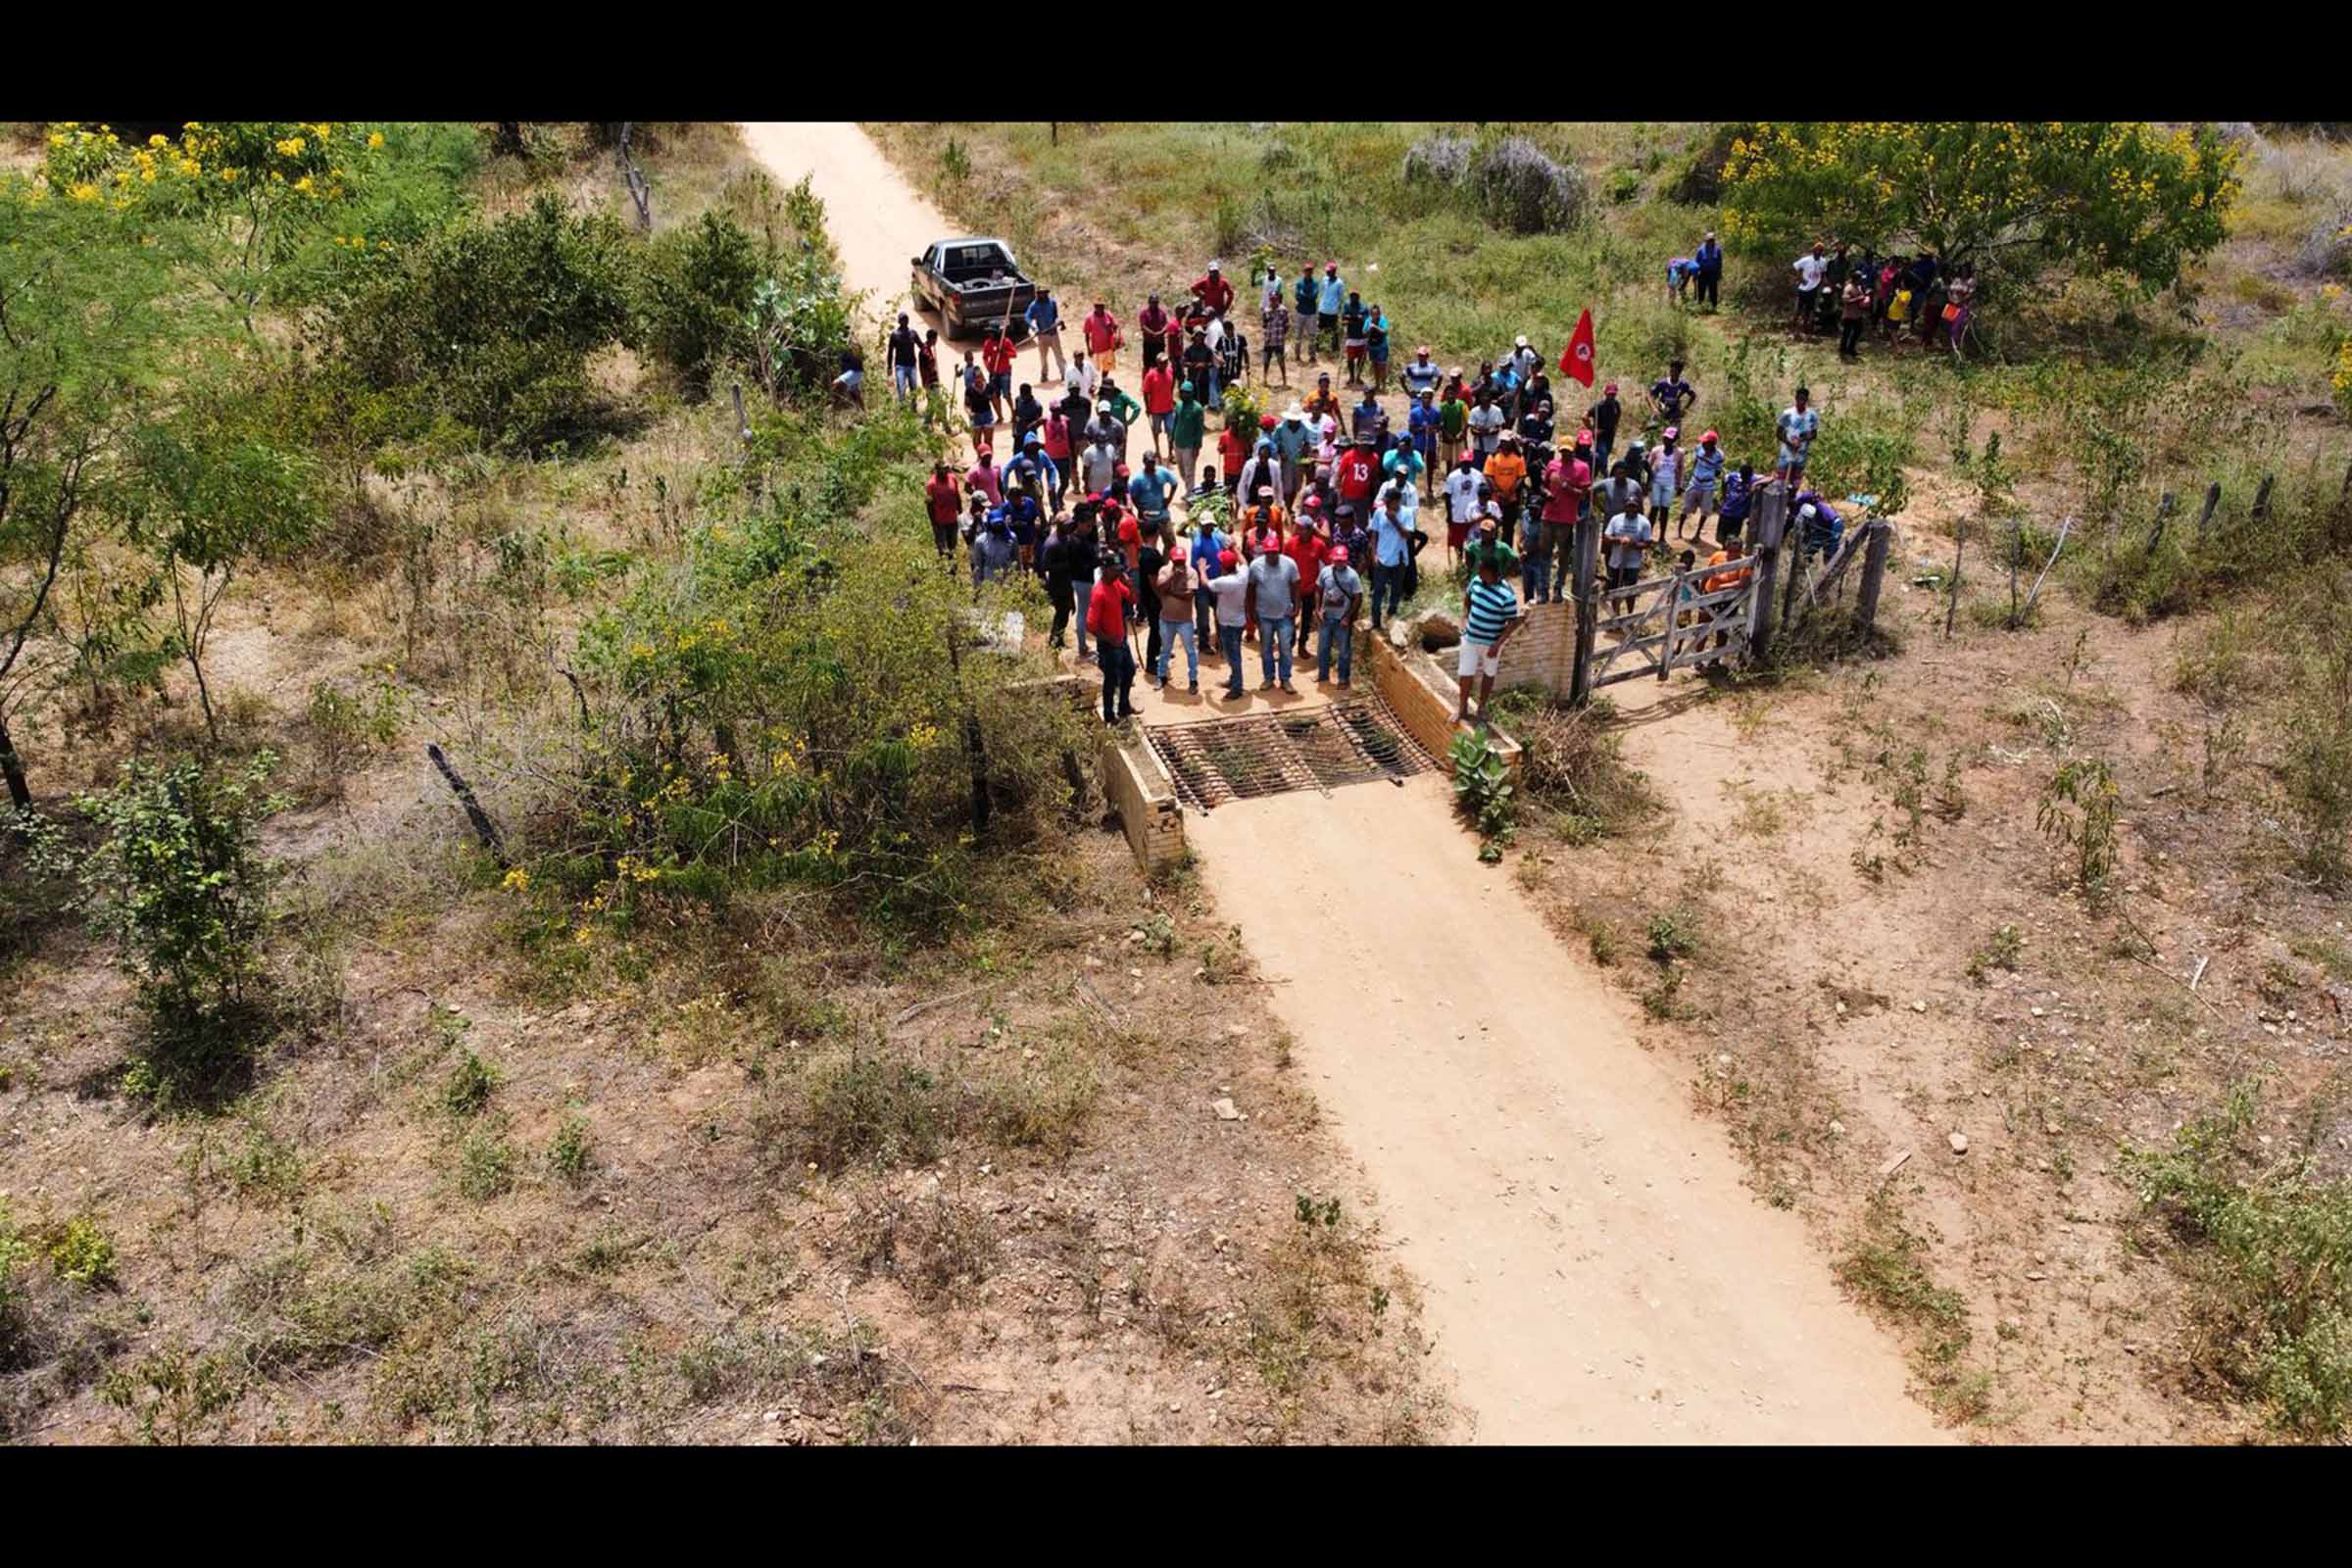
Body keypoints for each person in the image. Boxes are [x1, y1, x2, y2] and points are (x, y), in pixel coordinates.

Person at [1456, 545, 1524, 725]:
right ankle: (1462, 709)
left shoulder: (1507, 595)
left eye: (1481, 571)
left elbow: (1513, 623)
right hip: (1470, 639)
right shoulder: (1477, 581)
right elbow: (1468, 597)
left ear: (1491, 572)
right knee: (1465, 674)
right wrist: (1466, 619)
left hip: (1491, 644)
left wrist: (1497, 644)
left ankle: (1481, 708)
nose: (1478, 574)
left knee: (1488, 674)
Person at [1246, 541, 1301, 695]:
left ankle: (1285, 678)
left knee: (1285, 648)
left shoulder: (1289, 564)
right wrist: (1250, 612)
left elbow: (1297, 585)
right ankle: (1269, 677)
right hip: (1264, 615)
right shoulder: (1255, 566)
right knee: (1265, 648)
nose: (1272, 556)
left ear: (1279, 551)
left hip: (1284, 614)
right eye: (1269, 553)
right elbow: (1250, 589)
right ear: (1264, 552)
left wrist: (1297, 608)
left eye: (1274, 552)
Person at [1088, 554, 1137, 722]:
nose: (1118, 573)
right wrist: (1108, 639)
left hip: (1121, 639)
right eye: (1115, 570)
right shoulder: (1099, 592)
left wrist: (1129, 585)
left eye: (1119, 570)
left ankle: (1123, 706)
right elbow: (1091, 625)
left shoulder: (1116, 583)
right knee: (1111, 680)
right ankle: (1109, 715)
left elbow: (1132, 598)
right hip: (1109, 644)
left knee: (1129, 671)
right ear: (1105, 569)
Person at [1539, 442, 1589, 605]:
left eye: (1568, 451)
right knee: (1545, 554)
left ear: (1573, 451)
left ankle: (1558, 588)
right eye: (1563, 451)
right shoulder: (1553, 464)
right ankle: (1543, 590)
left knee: (1563, 555)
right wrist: (1547, 494)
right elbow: (1542, 485)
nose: (1565, 454)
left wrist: (1567, 487)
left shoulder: (1582, 468)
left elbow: (1584, 494)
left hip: (1566, 519)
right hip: (1548, 515)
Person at [1315, 546, 1363, 687]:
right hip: (1326, 617)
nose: (1339, 563)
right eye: (1336, 560)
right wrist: (1318, 610)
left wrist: (1348, 617)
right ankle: (1323, 675)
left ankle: (1343, 679)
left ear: (1346, 560)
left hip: (1342, 619)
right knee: (1323, 648)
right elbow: (1318, 590)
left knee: (1344, 651)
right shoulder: (1325, 572)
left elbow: (1357, 597)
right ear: (1332, 559)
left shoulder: (1352, 575)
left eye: (1342, 561)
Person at [1369, 484, 1413, 630]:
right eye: (1386, 501)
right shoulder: (1379, 512)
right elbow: (1374, 534)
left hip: (1399, 559)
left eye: (1390, 501)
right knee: (1378, 591)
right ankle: (1375, 621)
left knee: (1396, 591)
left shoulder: (1407, 513)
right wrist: (1374, 554)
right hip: (1382, 558)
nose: (1387, 504)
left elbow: (1407, 535)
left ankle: (1391, 618)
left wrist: (1394, 521)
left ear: (1398, 501)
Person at [1208, 548, 1250, 698]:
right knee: (1233, 653)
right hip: (1237, 622)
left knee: (1233, 656)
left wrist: (1201, 569)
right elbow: (1244, 562)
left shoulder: (1225, 582)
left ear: (1224, 567)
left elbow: (1206, 583)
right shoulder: (1242, 575)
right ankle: (1234, 680)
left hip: (1229, 625)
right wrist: (1236, 549)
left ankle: (1237, 688)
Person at [1603, 497, 1653, 615]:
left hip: (1633, 563)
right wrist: (1618, 540)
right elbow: (1606, 537)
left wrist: (1633, 544)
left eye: (1634, 506)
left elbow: (1647, 543)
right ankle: (1615, 616)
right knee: (1615, 589)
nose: (1631, 509)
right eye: (1629, 506)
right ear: (1625, 507)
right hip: (1616, 561)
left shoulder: (1644, 522)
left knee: (1630, 591)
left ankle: (1629, 616)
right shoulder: (1616, 519)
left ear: (1638, 507)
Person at [1679, 430, 1725, 540]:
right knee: (1686, 508)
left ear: (1712, 444)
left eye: (1706, 443)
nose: (1703, 444)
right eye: (1703, 442)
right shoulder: (1698, 448)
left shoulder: (1719, 456)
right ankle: (1679, 532)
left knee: (1705, 511)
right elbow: (1695, 462)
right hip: (1694, 482)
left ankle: (1697, 534)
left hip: (1707, 486)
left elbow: (1718, 472)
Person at [1443, 450, 1484, 568]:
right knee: (1458, 542)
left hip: (1473, 515)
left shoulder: (1478, 475)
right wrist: (1449, 515)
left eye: (1468, 462)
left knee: (1474, 542)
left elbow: (1482, 493)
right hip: (1457, 515)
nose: (1466, 465)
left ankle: (1472, 565)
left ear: (1471, 463)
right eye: (1464, 463)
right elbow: (1447, 496)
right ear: (1460, 463)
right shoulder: (1453, 476)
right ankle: (1460, 563)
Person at [1776, 386, 1819, 489]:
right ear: (1796, 398)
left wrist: (1802, 439)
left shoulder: (1812, 416)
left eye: (1804, 399)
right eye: (1800, 399)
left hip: (1801, 456)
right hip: (1786, 455)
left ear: (1806, 400)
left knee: (1795, 484)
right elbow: (1778, 433)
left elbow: (1814, 434)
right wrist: (1790, 443)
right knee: (1780, 483)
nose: (1801, 402)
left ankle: (1792, 502)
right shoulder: (1788, 414)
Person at [1024, 288, 1066, 382]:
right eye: (1040, 293)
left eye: (1044, 293)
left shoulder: (1052, 303)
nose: (1042, 295)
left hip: (1053, 334)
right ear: (1037, 294)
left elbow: (1056, 316)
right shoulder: (1034, 305)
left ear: (1047, 293)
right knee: (1043, 357)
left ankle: (1064, 373)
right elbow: (1027, 317)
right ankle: (1044, 374)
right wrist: (1034, 327)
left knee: (1059, 355)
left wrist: (1058, 322)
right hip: (1042, 336)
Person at [924, 461, 962, 562]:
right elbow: (929, 505)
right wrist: (934, 523)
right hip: (940, 522)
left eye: (947, 468)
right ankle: (944, 572)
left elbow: (957, 496)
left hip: (953, 520)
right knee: (943, 550)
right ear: (937, 470)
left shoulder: (952, 478)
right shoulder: (931, 485)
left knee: (953, 547)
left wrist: (960, 511)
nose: (946, 471)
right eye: (943, 469)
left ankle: (953, 570)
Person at [980, 322, 1017, 422]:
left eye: (992, 332)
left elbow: (1014, 354)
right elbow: (984, 357)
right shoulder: (988, 343)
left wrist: (1004, 352)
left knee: (1006, 394)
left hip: (1005, 371)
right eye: (989, 333)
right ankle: (1000, 416)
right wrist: (988, 367)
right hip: (993, 372)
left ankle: (1013, 413)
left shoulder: (1005, 341)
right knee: (995, 395)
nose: (990, 335)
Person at [1649, 359, 1696, 430]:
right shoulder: (1662, 383)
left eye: (1675, 372)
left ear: (1679, 372)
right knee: (1652, 432)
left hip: (1675, 415)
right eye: (1671, 371)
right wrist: (1654, 408)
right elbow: (1649, 395)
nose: (1672, 374)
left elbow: (1693, 395)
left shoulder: (1683, 384)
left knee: (1673, 437)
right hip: (1661, 413)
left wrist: (1685, 409)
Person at [1588, 381, 1623, 474]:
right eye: (1609, 394)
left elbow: (1618, 416)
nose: (1611, 396)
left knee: (1606, 453)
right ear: (1605, 393)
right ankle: (1603, 472)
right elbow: (1584, 416)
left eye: (1613, 394)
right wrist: (1592, 430)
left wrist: (1615, 427)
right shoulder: (1599, 406)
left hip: (1610, 434)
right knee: (1602, 453)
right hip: (1601, 435)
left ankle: (1598, 470)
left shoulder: (1616, 405)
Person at [1467, 388, 1506, 470]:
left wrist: (1488, 432)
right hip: (1478, 447)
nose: (1485, 398)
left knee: (1491, 471)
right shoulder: (1474, 411)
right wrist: (1480, 432)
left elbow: (1498, 428)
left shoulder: (1497, 411)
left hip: (1493, 447)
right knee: (1478, 471)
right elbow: (1472, 429)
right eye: (1483, 396)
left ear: (1490, 398)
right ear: (1480, 398)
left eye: (1487, 396)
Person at [1717, 463, 1755, 546]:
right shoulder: (1733, 476)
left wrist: (1755, 485)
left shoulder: (1754, 480)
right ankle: (1724, 548)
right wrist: (1724, 495)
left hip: (1739, 515)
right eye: (1742, 475)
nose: (1743, 477)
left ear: (1750, 475)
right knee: (1721, 537)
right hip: (1726, 511)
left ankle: (1727, 550)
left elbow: (1771, 478)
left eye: (1745, 476)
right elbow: (1724, 479)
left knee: (1733, 537)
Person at [1793, 242, 1828, 332]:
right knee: (1799, 308)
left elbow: (1823, 273)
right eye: (1817, 250)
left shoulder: (1823, 261)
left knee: (1809, 309)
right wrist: (1801, 279)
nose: (1818, 252)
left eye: (1820, 250)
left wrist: (1822, 283)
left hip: (1814, 288)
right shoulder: (1806, 260)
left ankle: (1805, 327)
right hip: (1803, 288)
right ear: (1813, 250)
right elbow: (1797, 267)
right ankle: (1794, 326)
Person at [1648, 428, 1682, 523]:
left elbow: (1680, 469)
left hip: (1670, 484)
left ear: (1674, 440)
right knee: (1654, 507)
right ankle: (1648, 534)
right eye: (1665, 438)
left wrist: (1679, 484)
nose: (1666, 440)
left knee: (1665, 509)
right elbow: (1648, 467)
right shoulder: (1656, 450)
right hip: (1656, 483)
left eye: (1669, 439)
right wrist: (1648, 483)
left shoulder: (1679, 452)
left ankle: (1662, 536)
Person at [1944, 264, 1977, 359]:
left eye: (1965, 270)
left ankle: (1957, 348)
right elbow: (1949, 290)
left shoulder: (1971, 281)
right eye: (1962, 270)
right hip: (1951, 305)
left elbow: (1970, 294)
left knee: (1956, 327)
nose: (1963, 272)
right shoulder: (1956, 280)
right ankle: (1949, 346)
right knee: (1947, 325)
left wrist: (1960, 301)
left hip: (1962, 306)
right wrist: (1950, 299)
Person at [1259, 286, 1290, 385]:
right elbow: (1264, 324)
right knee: (1266, 361)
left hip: (1278, 340)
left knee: (1281, 361)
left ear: (1278, 299)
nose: (1273, 301)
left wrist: (1281, 334)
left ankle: (1284, 380)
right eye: (1271, 299)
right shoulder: (1266, 311)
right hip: (1268, 340)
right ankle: (1265, 378)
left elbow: (1287, 324)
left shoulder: (1283, 310)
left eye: (1275, 299)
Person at [888, 313, 921, 401]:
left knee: (914, 389)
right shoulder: (894, 335)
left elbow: (921, 345)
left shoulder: (913, 333)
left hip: (912, 365)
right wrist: (889, 367)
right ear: (899, 321)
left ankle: (913, 409)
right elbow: (890, 351)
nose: (905, 321)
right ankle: (902, 409)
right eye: (902, 319)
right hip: (900, 366)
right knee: (901, 389)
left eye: (906, 319)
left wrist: (928, 346)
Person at [1082, 300, 1122, 372]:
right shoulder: (1089, 318)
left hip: (1108, 348)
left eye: (1102, 306)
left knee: (1107, 368)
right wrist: (1088, 348)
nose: (1100, 308)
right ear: (1095, 307)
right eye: (1098, 306)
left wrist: (1116, 337)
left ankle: (1104, 381)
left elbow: (1115, 326)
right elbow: (1087, 334)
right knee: (1095, 369)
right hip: (1096, 348)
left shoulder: (1108, 315)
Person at [1838, 270, 1871, 361]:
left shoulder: (1859, 286)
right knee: (1847, 333)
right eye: (1860, 278)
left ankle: (1851, 349)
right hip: (1849, 315)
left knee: (1857, 332)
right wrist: (1857, 299)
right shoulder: (1848, 288)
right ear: (1856, 279)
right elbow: (1845, 301)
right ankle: (1843, 350)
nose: (1862, 280)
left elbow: (1861, 297)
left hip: (1857, 314)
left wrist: (1866, 295)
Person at [1316, 262, 1346, 360]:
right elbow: (1322, 292)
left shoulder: (1339, 283)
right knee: (1320, 330)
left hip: (1333, 312)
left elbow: (1341, 298)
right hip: (1322, 310)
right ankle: (1318, 350)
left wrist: (1340, 311)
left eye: (1329, 271)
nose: (1327, 273)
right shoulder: (1324, 279)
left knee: (1334, 333)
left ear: (1334, 271)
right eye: (1327, 271)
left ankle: (1334, 352)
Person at [1138, 293, 1172, 373]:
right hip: (1148, 343)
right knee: (1147, 365)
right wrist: (1153, 333)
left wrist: (1161, 332)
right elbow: (1143, 326)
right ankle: (1145, 383)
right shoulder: (1144, 313)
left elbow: (1166, 325)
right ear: (1149, 302)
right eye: (1153, 302)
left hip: (1159, 343)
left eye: (1156, 302)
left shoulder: (1162, 313)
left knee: (1159, 364)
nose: (1154, 304)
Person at [1693, 230, 1724, 311]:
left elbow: (1720, 262)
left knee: (1713, 291)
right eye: (1709, 240)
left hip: (1713, 273)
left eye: (1712, 240)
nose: (1711, 242)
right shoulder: (1700, 250)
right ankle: (1700, 307)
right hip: (1702, 273)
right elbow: (1696, 262)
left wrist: (1719, 273)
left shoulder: (1718, 249)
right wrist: (1695, 274)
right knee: (1701, 290)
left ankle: (1714, 307)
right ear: (1705, 240)